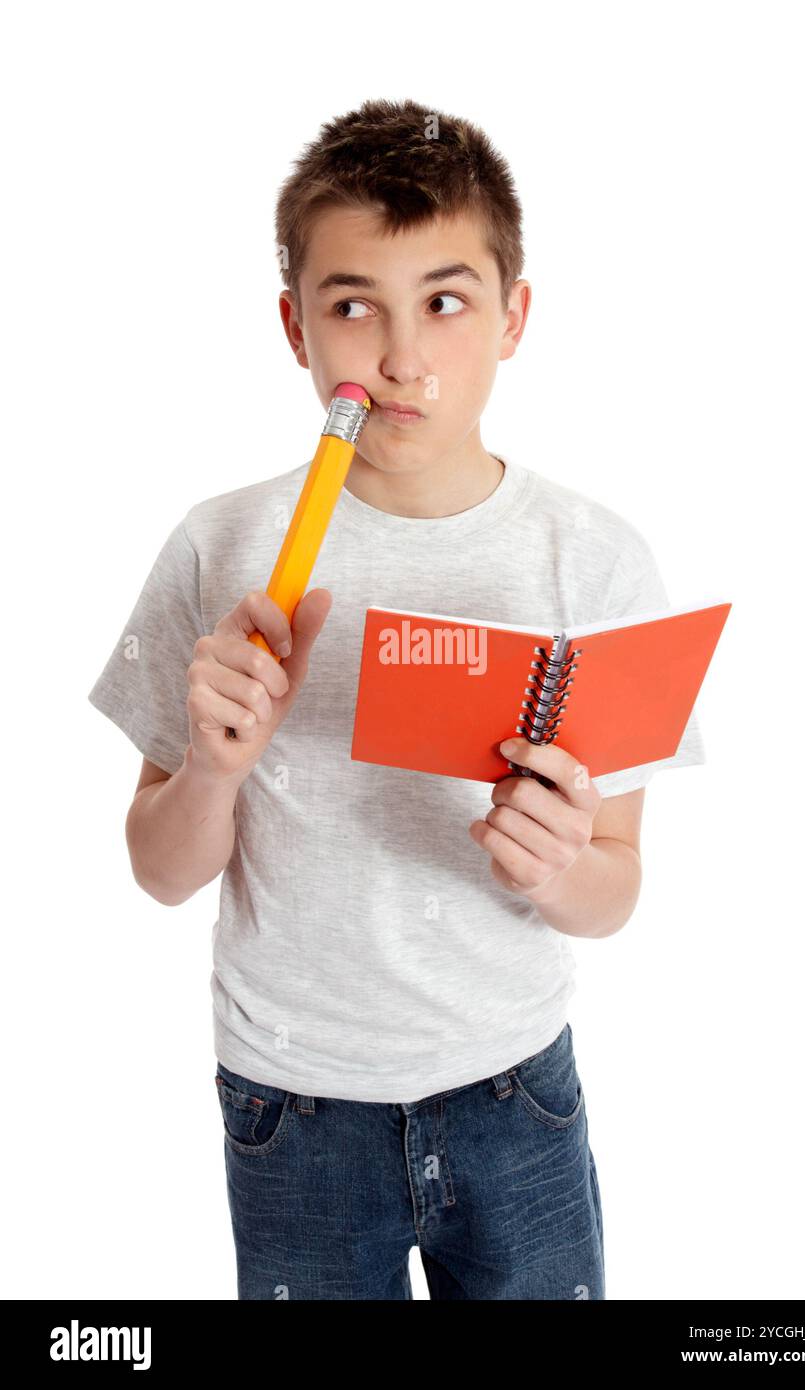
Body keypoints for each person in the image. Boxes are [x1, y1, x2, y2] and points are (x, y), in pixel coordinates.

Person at [88, 97, 705, 1300]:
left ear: (513, 315)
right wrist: (214, 764)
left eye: (445, 300)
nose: (402, 358)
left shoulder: (593, 561)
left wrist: (556, 861)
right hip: (289, 1102)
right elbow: (159, 872)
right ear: (295, 329)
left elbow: (614, 889)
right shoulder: (224, 548)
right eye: (352, 305)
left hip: (513, 1089)